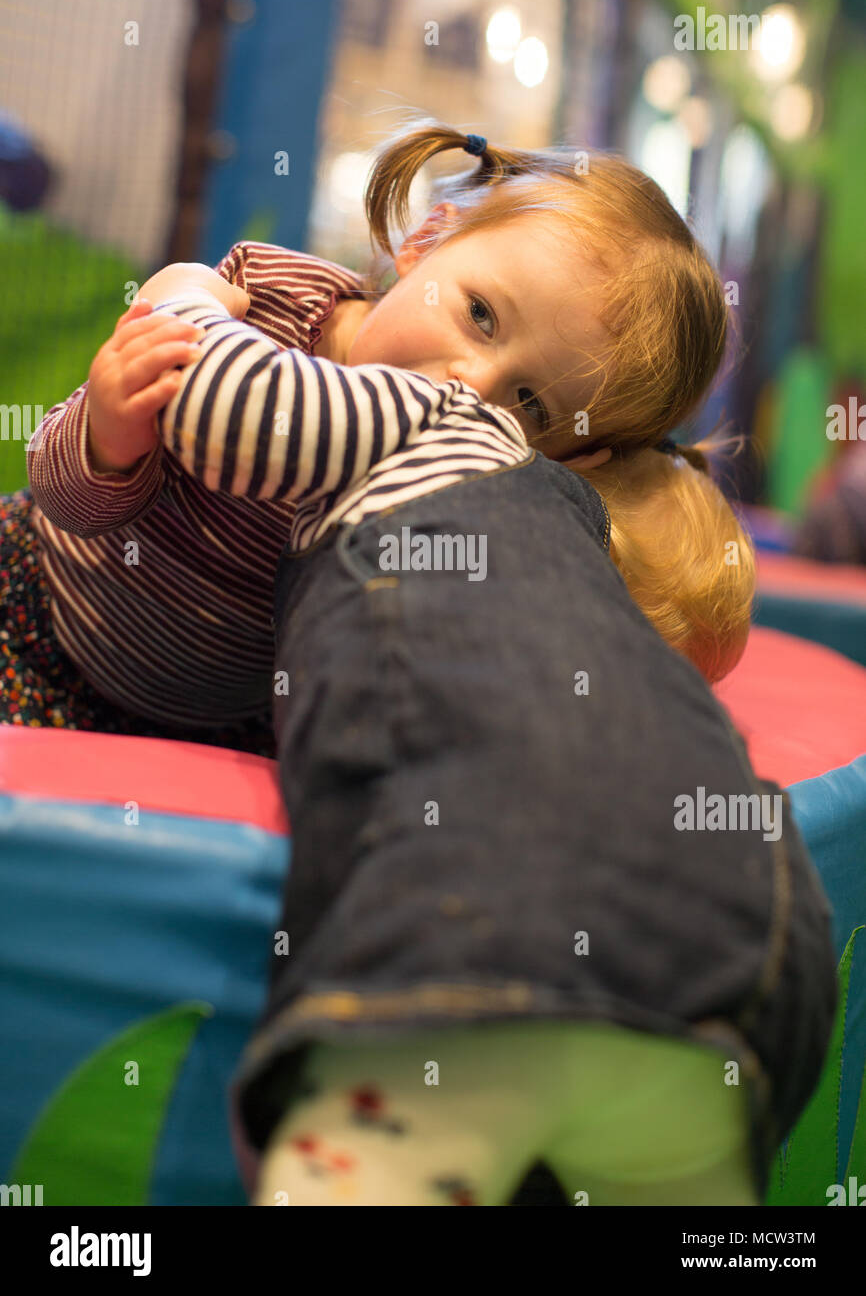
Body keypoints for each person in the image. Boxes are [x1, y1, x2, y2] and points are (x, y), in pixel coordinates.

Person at [134, 275, 835, 1207]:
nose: (475, 380)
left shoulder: (450, 423)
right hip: (763, 958)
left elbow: (219, 398)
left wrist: (184, 298)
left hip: (510, 922)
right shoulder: (574, 597)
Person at [7, 124, 751, 750]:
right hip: (46, 620)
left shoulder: (454, 474)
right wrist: (108, 437)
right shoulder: (263, 304)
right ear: (426, 242)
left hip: (216, 725)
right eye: (482, 316)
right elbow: (62, 494)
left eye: (531, 402)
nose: (469, 385)